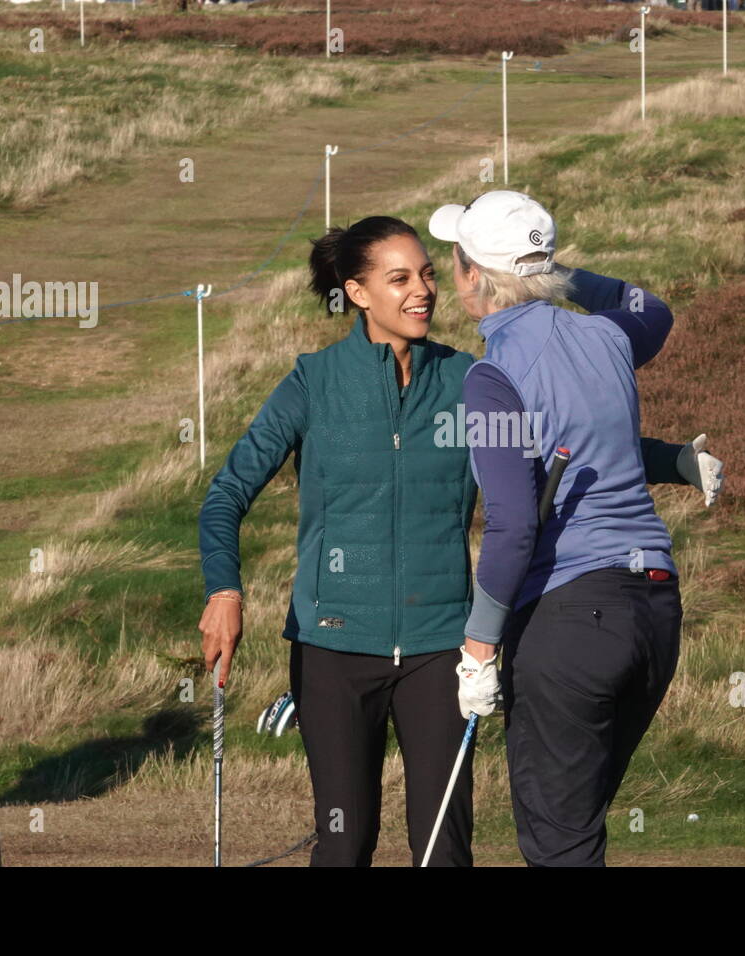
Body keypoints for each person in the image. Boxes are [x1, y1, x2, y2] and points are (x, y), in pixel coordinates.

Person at [428, 190, 723, 866]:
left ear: (474, 274)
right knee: (575, 828)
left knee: (560, 843)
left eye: (457, 259)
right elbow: (654, 308)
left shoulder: (492, 375)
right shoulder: (605, 336)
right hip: (654, 609)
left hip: (571, 623)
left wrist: (477, 653)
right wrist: (557, 273)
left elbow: (509, 526)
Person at [197, 216, 482, 867]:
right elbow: (225, 497)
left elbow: (559, 450)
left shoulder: (469, 382)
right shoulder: (314, 382)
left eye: (429, 275)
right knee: (345, 841)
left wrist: (668, 461)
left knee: (444, 849)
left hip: (442, 647)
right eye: (401, 278)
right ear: (356, 292)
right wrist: (224, 589)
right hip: (332, 647)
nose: (423, 291)